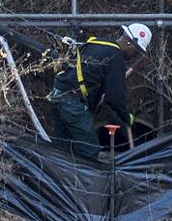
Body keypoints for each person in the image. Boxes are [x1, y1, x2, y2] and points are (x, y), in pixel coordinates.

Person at [48, 23, 152, 161]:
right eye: (136, 50)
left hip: (57, 95)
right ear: (129, 42)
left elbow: (91, 79)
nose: (134, 55)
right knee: (89, 148)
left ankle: (60, 180)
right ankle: (84, 181)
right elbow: (114, 98)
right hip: (70, 103)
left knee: (62, 147)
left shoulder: (99, 43)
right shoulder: (116, 58)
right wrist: (127, 117)